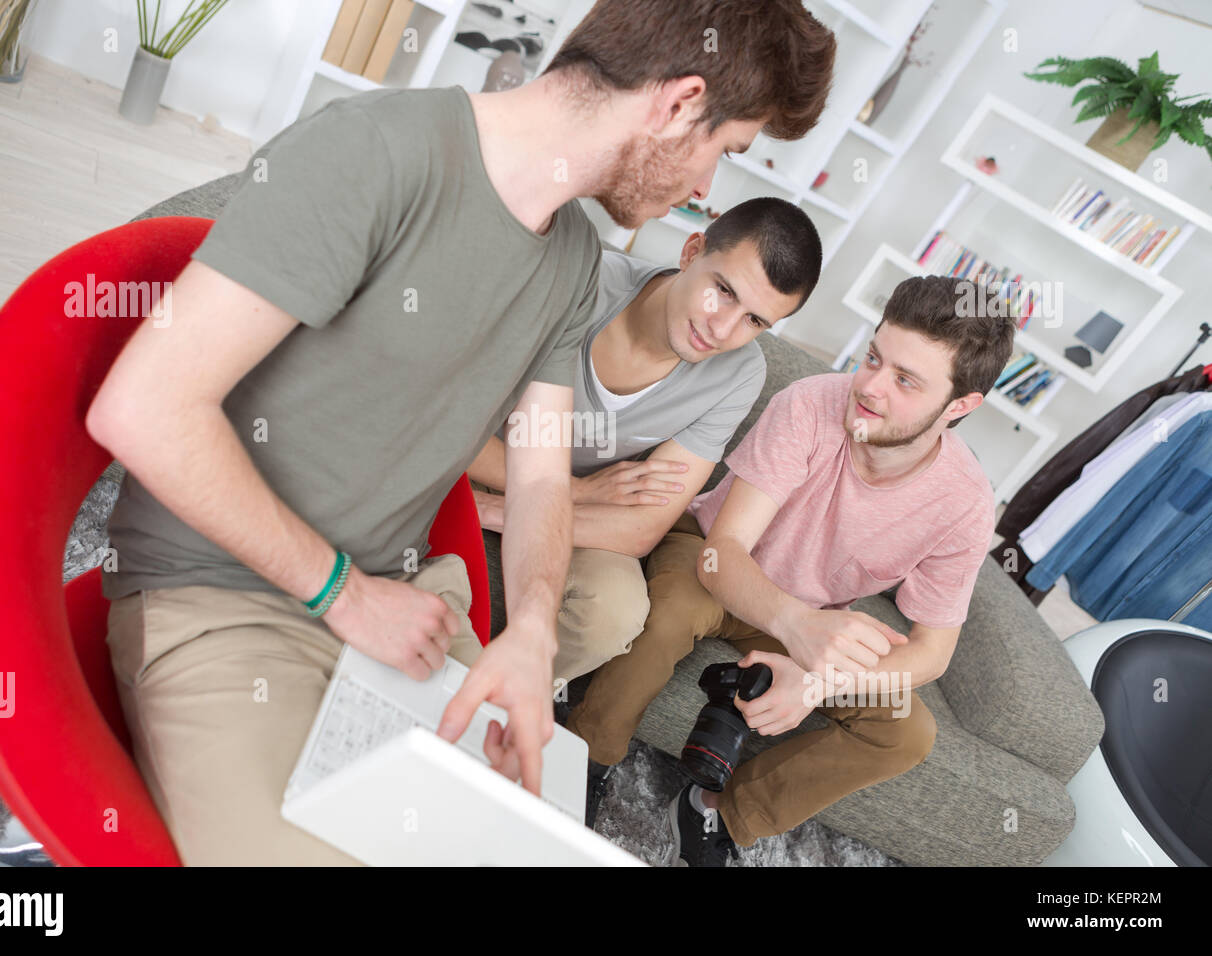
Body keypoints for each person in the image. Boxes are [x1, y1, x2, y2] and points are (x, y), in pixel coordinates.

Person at [84, 0, 836, 864]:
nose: (704, 187)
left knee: (502, 847)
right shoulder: (375, 149)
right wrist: (343, 593)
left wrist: (532, 632)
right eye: (723, 151)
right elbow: (143, 408)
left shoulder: (573, 260)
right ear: (676, 105)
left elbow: (544, 477)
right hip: (221, 593)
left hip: (409, 600)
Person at [568, 275, 1016, 865]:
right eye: (874, 357)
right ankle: (585, 755)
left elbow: (931, 653)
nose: (871, 388)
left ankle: (717, 816)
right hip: (712, 562)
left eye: (905, 380)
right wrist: (798, 626)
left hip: (804, 617)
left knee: (908, 734)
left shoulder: (964, 503)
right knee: (669, 611)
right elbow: (724, 548)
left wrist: (817, 679)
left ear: (959, 406)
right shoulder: (810, 403)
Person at [468, 197, 821, 688]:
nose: (722, 329)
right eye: (722, 291)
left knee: (615, 612)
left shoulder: (740, 373)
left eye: (755, 321)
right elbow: (455, 426)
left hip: (579, 518)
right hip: (481, 463)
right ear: (692, 250)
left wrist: (493, 511)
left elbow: (641, 528)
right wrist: (575, 489)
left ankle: (505, 700)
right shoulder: (582, 281)